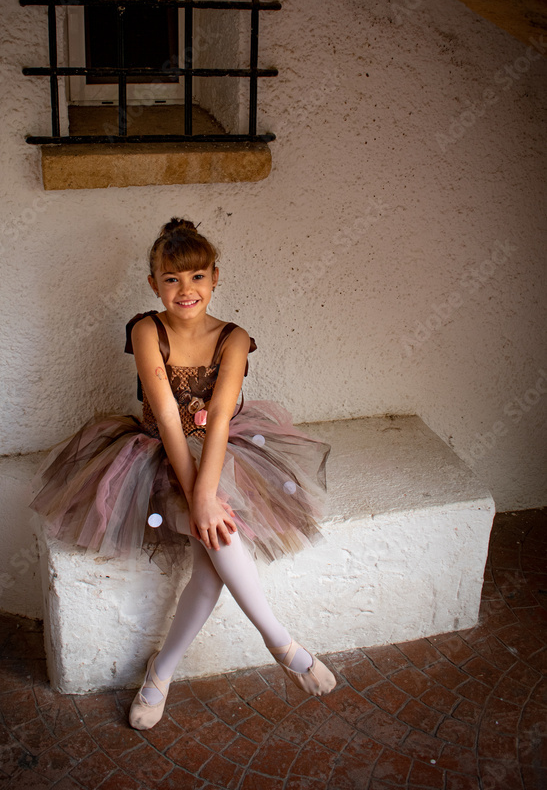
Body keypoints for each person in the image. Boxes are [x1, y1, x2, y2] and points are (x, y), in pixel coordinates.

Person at [29, 217, 335, 730]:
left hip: (225, 449)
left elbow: (218, 418)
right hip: (155, 450)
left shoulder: (235, 338)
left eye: (196, 277)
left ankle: (160, 672)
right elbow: (168, 414)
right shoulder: (146, 328)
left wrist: (208, 491)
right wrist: (196, 493)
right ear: (154, 284)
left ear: (216, 277)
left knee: (211, 552)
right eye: (171, 279)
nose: (185, 290)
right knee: (213, 539)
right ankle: (280, 641)